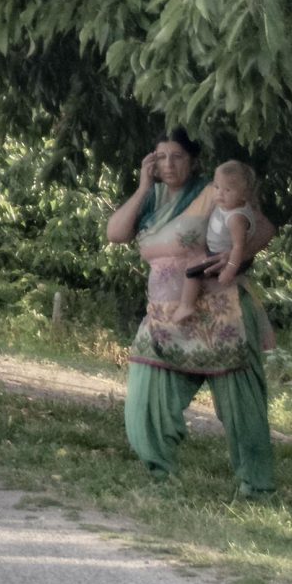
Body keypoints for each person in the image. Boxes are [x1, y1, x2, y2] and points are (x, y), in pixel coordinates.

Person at [104, 129, 277, 496]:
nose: (169, 164)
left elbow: (262, 228)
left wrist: (231, 259)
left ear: (193, 160)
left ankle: (256, 485)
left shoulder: (212, 193)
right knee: (145, 393)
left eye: (177, 156)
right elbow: (116, 233)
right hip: (166, 315)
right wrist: (141, 186)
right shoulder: (151, 200)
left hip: (220, 312)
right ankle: (158, 473)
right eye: (161, 156)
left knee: (240, 406)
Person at [173, 160, 269, 323]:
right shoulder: (227, 205)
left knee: (192, 269)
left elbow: (239, 247)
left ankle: (186, 305)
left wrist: (230, 270)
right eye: (217, 188)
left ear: (244, 194)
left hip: (228, 257)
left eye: (227, 190)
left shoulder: (236, 218)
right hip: (218, 251)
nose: (219, 194)